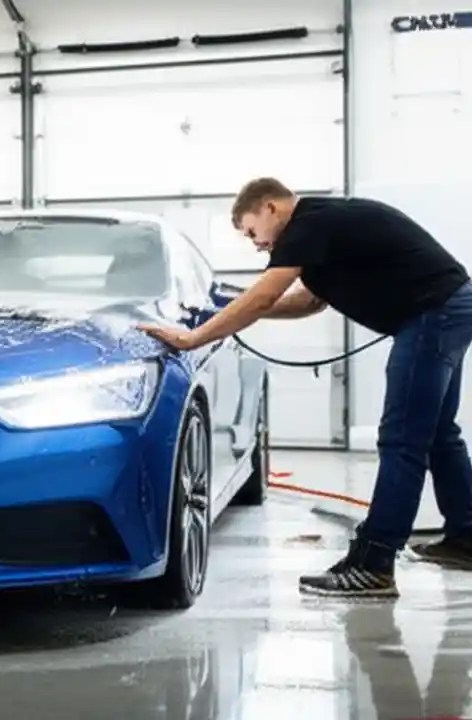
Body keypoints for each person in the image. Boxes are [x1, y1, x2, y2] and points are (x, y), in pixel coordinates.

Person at [137, 177, 472, 599]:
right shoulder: (321, 230)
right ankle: (465, 538)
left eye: (251, 231)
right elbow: (307, 302)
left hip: (433, 315)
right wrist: (227, 308)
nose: (255, 244)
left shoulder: (306, 228)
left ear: (271, 208)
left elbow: (262, 297)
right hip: (451, 306)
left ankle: (374, 564)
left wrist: (192, 337)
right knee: (440, 434)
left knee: (402, 439)